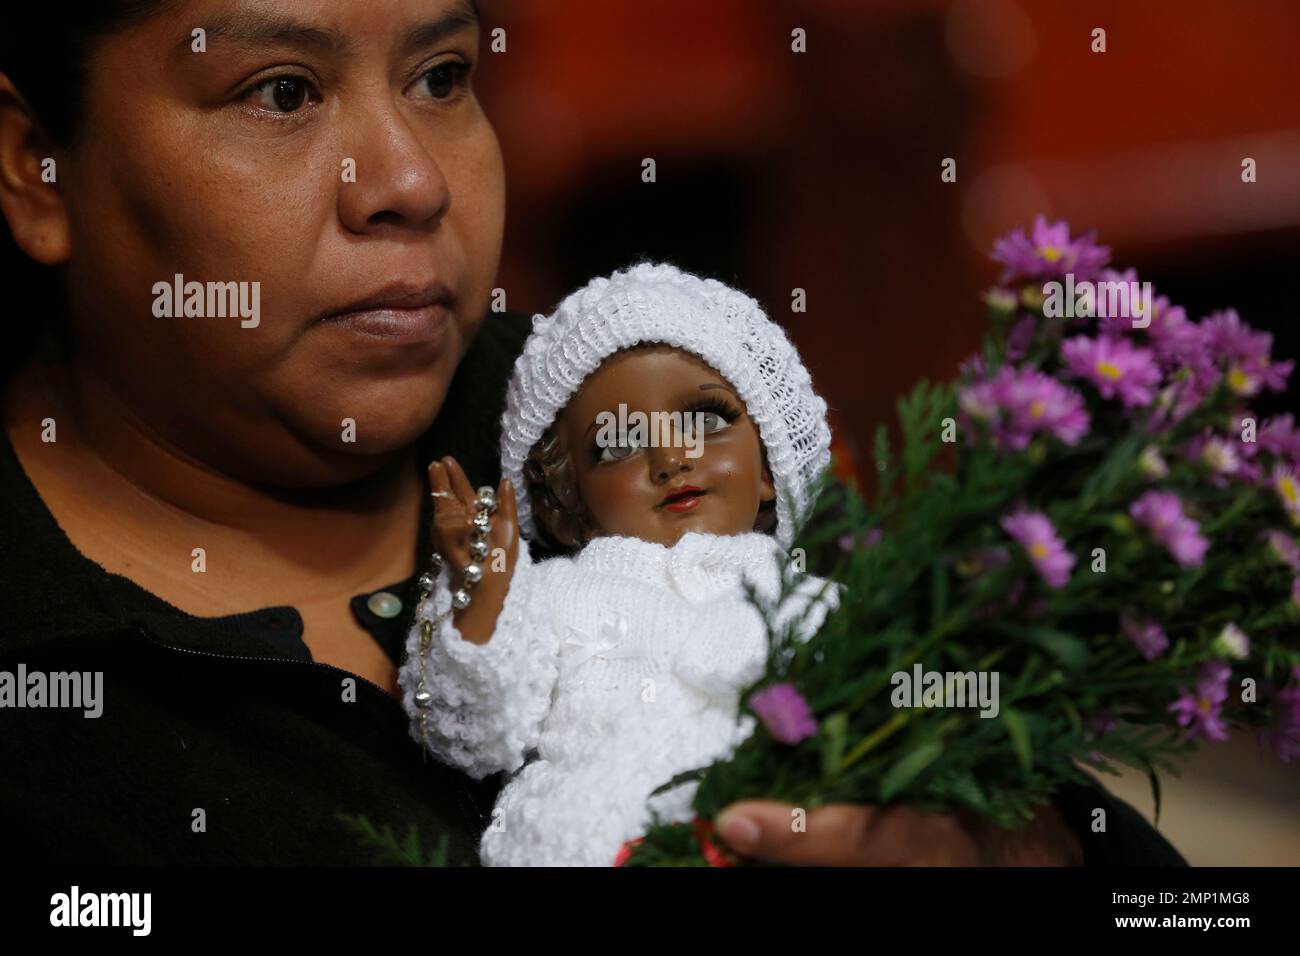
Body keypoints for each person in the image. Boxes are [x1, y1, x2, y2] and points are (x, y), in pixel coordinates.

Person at [0, 0, 1184, 865]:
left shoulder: (611, 403)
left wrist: (1027, 846)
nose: (412, 179)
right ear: (36, 168)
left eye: (443, 76)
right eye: (282, 93)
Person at [401, 262, 845, 865]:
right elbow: (473, 734)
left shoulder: (815, 602)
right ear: (570, 501)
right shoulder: (554, 595)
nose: (669, 458)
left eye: (707, 421)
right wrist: (483, 589)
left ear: (768, 467)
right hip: (584, 841)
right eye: (619, 442)